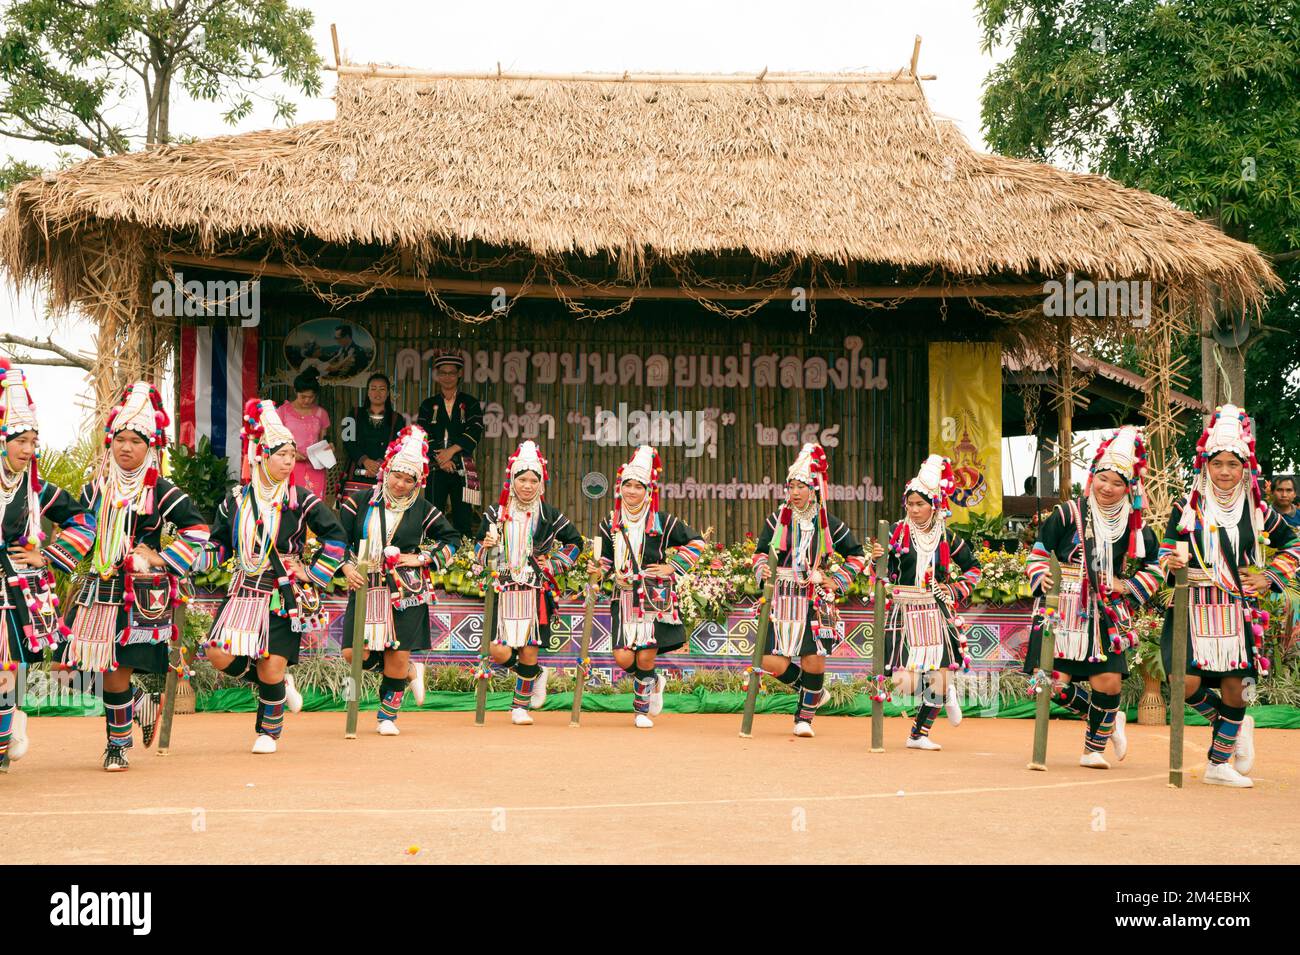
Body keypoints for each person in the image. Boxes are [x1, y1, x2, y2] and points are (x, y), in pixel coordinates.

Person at [60, 382, 210, 770]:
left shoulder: (161, 490)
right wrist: (47, 560)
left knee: (114, 670)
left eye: (136, 441)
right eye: (120, 439)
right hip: (97, 588)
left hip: (136, 595)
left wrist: (160, 557)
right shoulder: (95, 488)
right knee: (69, 670)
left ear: (150, 447)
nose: (126, 447)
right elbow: (81, 530)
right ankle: (140, 705)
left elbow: (197, 531)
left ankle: (117, 747)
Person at [1160, 404, 1300, 787]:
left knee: (1236, 688)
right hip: (1190, 606)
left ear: (1245, 469)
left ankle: (1218, 764)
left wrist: (1269, 575)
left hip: (1238, 607)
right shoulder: (1186, 508)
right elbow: (1165, 548)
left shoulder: (1258, 511)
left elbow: (1295, 543)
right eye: (1218, 462)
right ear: (1205, 464)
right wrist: (1169, 561)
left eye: (1233, 464)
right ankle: (1235, 729)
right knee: (1182, 683)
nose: (1224, 471)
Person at [198, 399, 346, 754]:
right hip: (244, 588)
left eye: (292, 456)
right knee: (218, 653)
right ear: (261, 455)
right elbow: (219, 542)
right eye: (281, 454)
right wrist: (198, 558)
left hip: (282, 592)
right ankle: (277, 684)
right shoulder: (235, 500)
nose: (288, 461)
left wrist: (312, 571)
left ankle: (268, 732)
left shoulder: (301, 499)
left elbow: (336, 537)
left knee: (272, 664)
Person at [1022, 426, 1161, 769]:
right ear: (1092, 477)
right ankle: (1109, 721)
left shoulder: (1135, 525)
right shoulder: (1068, 513)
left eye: (1117, 483)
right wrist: (1044, 580)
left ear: (1129, 488)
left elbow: (1157, 566)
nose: (1108, 488)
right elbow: (1038, 554)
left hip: (1103, 613)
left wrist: (1127, 586)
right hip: (1062, 610)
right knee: (1047, 685)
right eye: (1103, 479)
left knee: (1109, 683)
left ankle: (1093, 749)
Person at [0, 359, 94, 773]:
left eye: (33, 441)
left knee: (9, 666)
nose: (27, 449)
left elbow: (84, 522)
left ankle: (4, 741)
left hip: (16, 591)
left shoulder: (38, 490)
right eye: (19, 439)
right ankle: (10, 727)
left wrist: (50, 556)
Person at [337, 425, 461, 736]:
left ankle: (387, 716)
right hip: (367, 585)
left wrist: (421, 558)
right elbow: (337, 540)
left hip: (405, 589)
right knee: (354, 653)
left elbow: (452, 540)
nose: (401, 484)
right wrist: (344, 566)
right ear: (387, 469)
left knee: (397, 651)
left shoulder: (422, 508)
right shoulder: (358, 501)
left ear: (418, 481)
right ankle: (408, 672)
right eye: (397, 475)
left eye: (409, 479)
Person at [752, 442, 866, 738]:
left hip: (813, 596)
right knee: (767, 659)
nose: (796, 492)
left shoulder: (828, 523)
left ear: (814, 489)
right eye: (792, 486)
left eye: (802, 486)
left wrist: (837, 579)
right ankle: (812, 691)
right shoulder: (777, 520)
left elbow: (857, 555)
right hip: (781, 595)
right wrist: (762, 568)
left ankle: (804, 719)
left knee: (813, 659)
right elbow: (760, 553)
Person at [588, 445, 706, 728]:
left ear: (648, 490)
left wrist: (672, 566)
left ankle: (640, 711)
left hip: (654, 595)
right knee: (623, 655)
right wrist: (597, 570)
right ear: (620, 488)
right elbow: (605, 559)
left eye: (637, 486)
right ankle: (654, 681)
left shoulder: (663, 521)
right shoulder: (610, 523)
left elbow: (697, 542)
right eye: (627, 485)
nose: (631, 491)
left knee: (646, 652)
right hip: (622, 595)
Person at [872, 454, 981, 751]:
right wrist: (877, 560)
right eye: (911, 504)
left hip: (935, 607)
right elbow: (883, 573)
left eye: (921, 504)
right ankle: (946, 696)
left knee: (943, 674)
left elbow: (974, 569)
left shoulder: (947, 536)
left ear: (934, 505)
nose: (915, 509)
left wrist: (954, 589)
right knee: (899, 680)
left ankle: (918, 734)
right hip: (903, 609)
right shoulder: (897, 533)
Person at [476, 440, 583, 726]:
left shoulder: (549, 515)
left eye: (533, 480)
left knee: (529, 648)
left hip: (535, 587)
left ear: (540, 483)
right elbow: (481, 550)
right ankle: (535, 673)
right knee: (499, 650)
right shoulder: (495, 513)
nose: (527, 485)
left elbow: (575, 542)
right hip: (503, 586)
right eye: (522, 479)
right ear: (512, 480)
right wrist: (487, 548)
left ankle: (519, 707)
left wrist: (555, 562)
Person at [416, 352, 484, 538]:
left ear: (459, 374)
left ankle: (465, 556)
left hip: (462, 466)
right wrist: (441, 459)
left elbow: (475, 429)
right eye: (443, 373)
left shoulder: (470, 403)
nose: (447, 377)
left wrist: (451, 451)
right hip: (436, 467)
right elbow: (422, 433)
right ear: (437, 376)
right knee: (432, 514)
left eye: (452, 373)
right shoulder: (428, 405)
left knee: (463, 516)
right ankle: (431, 550)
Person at [341, 373, 404, 496]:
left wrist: (379, 465)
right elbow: (347, 442)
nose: (377, 393)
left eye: (382, 389)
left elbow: (398, 446)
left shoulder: (397, 419)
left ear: (387, 393)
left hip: (384, 474)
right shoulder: (353, 413)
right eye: (373, 388)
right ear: (368, 392)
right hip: (356, 473)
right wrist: (365, 460)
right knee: (355, 511)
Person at [278, 372, 333, 500]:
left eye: (311, 397)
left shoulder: (321, 413)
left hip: (315, 466)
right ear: (295, 391)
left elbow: (323, 440)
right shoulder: (283, 412)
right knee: (290, 502)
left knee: (313, 504)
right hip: (288, 465)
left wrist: (328, 448)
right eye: (303, 396)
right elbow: (274, 439)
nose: (307, 400)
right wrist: (291, 453)